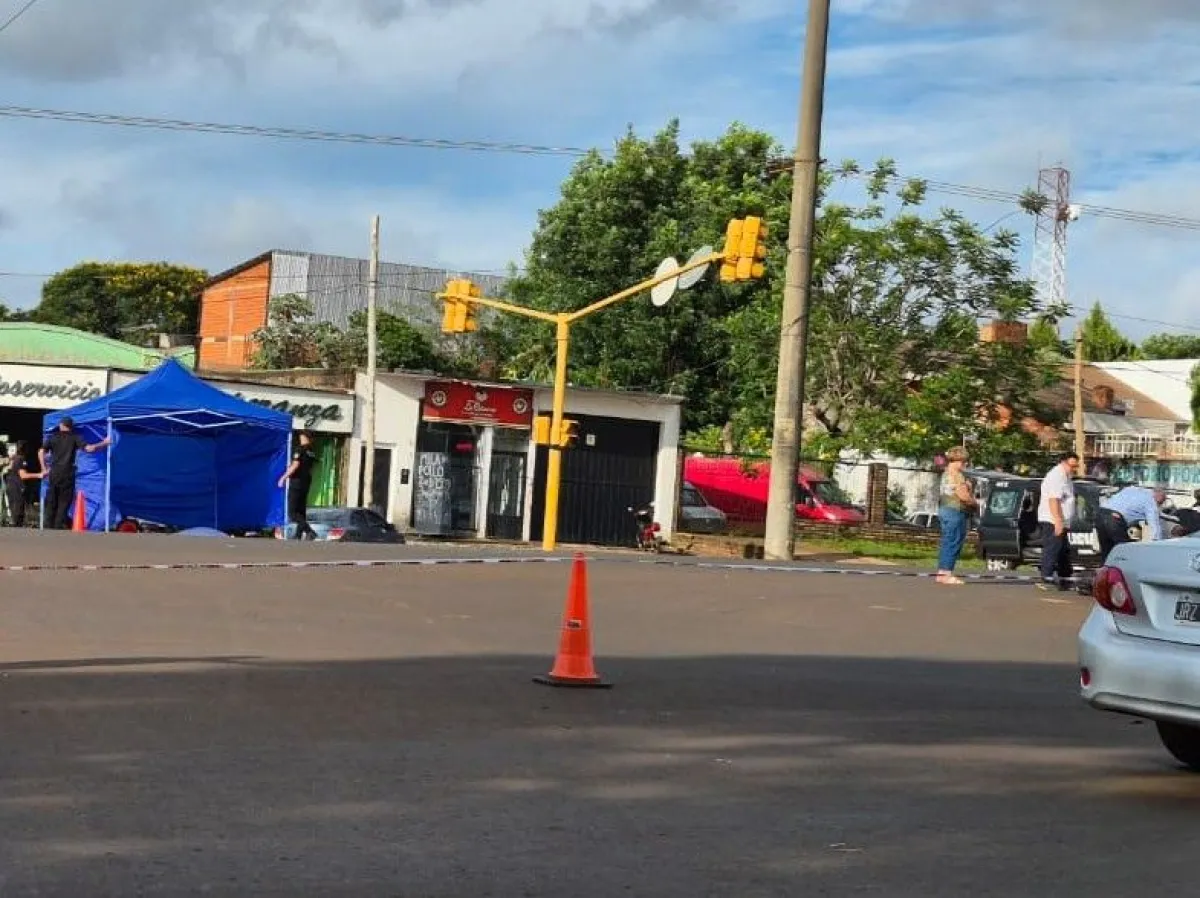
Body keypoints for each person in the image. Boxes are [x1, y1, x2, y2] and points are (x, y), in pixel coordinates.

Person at [38, 418, 110, 530]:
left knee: (51, 499)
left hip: (54, 472)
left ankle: (47, 526)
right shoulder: (75, 437)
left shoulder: (53, 437)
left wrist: (44, 468)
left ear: (61, 425)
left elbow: (41, 451)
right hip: (68, 472)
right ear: (71, 426)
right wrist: (104, 443)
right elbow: (89, 449)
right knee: (64, 501)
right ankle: (57, 527)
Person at [936, 446, 978, 586]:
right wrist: (975, 503)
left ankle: (942, 572)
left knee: (947, 540)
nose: (965, 464)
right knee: (954, 540)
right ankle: (947, 572)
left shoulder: (945, 473)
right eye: (964, 461)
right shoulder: (957, 475)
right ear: (958, 460)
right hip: (955, 510)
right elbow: (963, 496)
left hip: (944, 509)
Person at [1037, 452, 1080, 591]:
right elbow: (1053, 500)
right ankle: (1046, 577)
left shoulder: (1066, 477)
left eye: (1076, 466)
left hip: (1062, 520)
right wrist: (1058, 521)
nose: (1074, 469)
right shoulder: (1056, 476)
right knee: (1053, 548)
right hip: (1052, 519)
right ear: (1062, 463)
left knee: (1063, 550)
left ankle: (1065, 578)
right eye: (1072, 465)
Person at [1096, 484, 1168, 563]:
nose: (1159, 505)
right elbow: (1154, 527)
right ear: (1158, 496)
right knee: (1124, 552)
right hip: (1115, 518)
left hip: (1101, 513)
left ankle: (1105, 572)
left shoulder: (1132, 489)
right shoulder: (1150, 502)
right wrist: (1158, 547)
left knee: (1107, 551)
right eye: (1161, 502)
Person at [278, 431, 317, 541]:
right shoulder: (312, 452)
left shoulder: (300, 449)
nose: (300, 438)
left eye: (301, 436)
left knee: (292, 512)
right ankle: (298, 534)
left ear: (305, 437)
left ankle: (309, 531)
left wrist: (283, 478)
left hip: (297, 481)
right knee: (301, 510)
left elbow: (295, 465)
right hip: (306, 481)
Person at [5, 440, 43, 527]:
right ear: (25, 449)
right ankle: (16, 530)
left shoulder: (15, 458)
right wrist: (38, 475)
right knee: (18, 512)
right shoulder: (20, 459)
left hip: (12, 486)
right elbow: (23, 475)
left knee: (15, 510)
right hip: (16, 487)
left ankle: (16, 527)